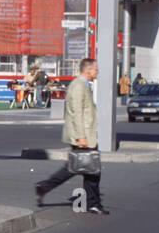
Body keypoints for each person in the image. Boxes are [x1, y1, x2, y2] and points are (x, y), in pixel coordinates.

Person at [34, 57, 107, 214]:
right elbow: (76, 113)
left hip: (86, 135)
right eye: (95, 68)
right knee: (87, 169)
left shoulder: (84, 85)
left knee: (85, 169)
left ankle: (92, 203)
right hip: (83, 137)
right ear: (88, 70)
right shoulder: (79, 86)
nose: (97, 71)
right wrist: (81, 136)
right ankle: (92, 203)